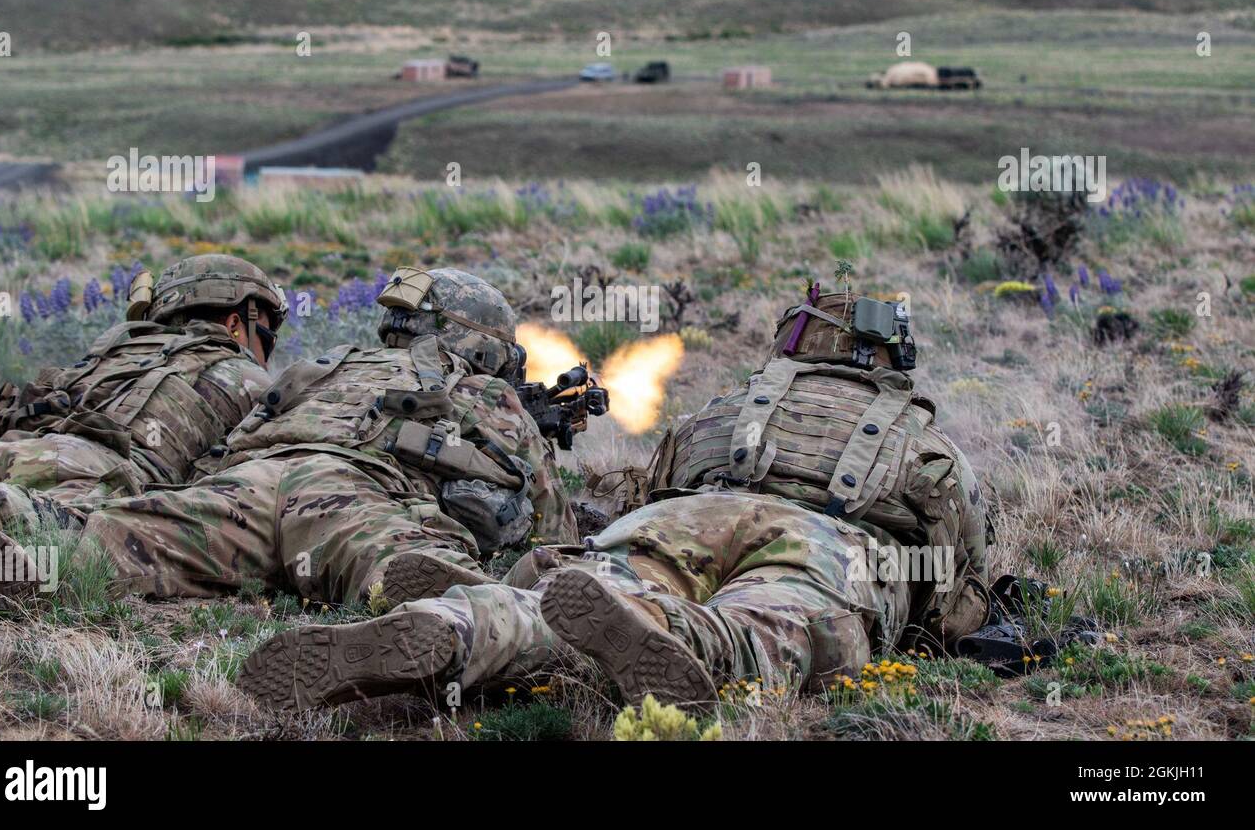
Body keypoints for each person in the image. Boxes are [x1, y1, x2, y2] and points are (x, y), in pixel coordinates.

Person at [237, 288, 991, 711]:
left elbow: (659, 483)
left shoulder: (725, 411)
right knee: (767, 632)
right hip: (825, 544)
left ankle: (464, 621)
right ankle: (686, 638)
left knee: (590, 593)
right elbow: (953, 591)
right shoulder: (924, 440)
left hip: (675, 519)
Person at [0, 267, 576, 619]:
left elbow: (216, 453)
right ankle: (446, 628)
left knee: (118, 535)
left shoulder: (326, 365)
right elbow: (551, 521)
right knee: (409, 575)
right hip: (350, 494)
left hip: (248, 483)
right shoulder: (474, 386)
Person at [0, 254, 285, 610]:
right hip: (97, 469)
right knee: (61, 534)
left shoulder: (119, 350)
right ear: (238, 323)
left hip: (12, 448)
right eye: (266, 334)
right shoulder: (251, 379)